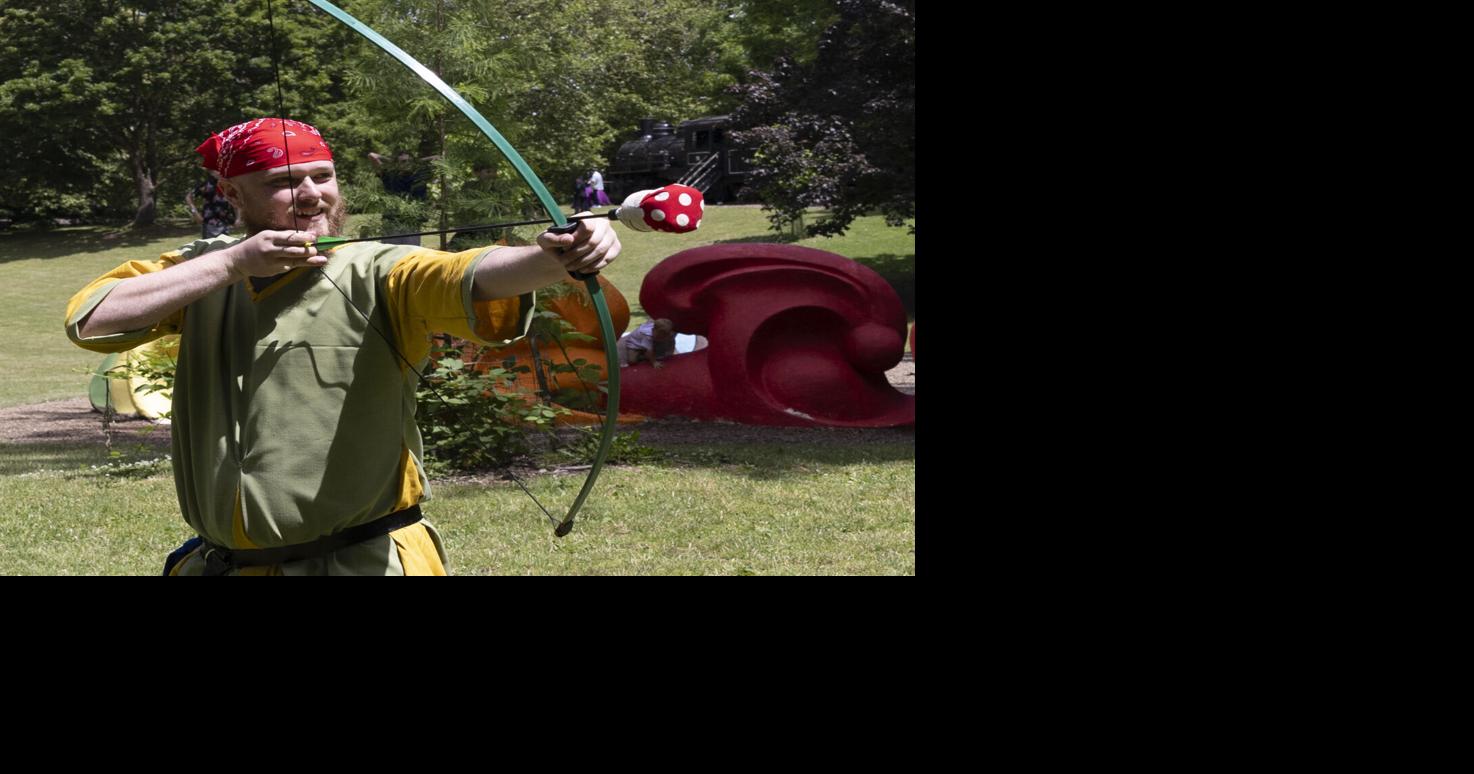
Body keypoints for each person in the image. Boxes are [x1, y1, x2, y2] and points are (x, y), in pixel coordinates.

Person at [63, 118, 620, 576]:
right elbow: (91, 319)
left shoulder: (380, 268)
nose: (312, 195)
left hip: (361, 563)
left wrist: (557, 256)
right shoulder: (204, 269)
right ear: (232, 194)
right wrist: (233, 263)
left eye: (322, 176)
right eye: (284, 181)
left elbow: (471, 274)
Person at [367, 150, 432, 246]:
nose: (407, 163)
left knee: (411, 251)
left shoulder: (419, 175)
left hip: (411, 221)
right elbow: (372, 156)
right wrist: (393, 161)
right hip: (392, 220)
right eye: (403, 161)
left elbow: (437, 158)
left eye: (410, 161)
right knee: (390, 251)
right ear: (397, 163)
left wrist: (416, 161)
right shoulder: (389, 175)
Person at [185, 172, 238, 238]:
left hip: (225, 223)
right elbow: (189, 197)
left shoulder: (227, 184)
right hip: (209, 223)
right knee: (210, 244)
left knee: (225, 244)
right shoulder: (206, 185)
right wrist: (195, 213)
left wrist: (238, 218)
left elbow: (235, 200)